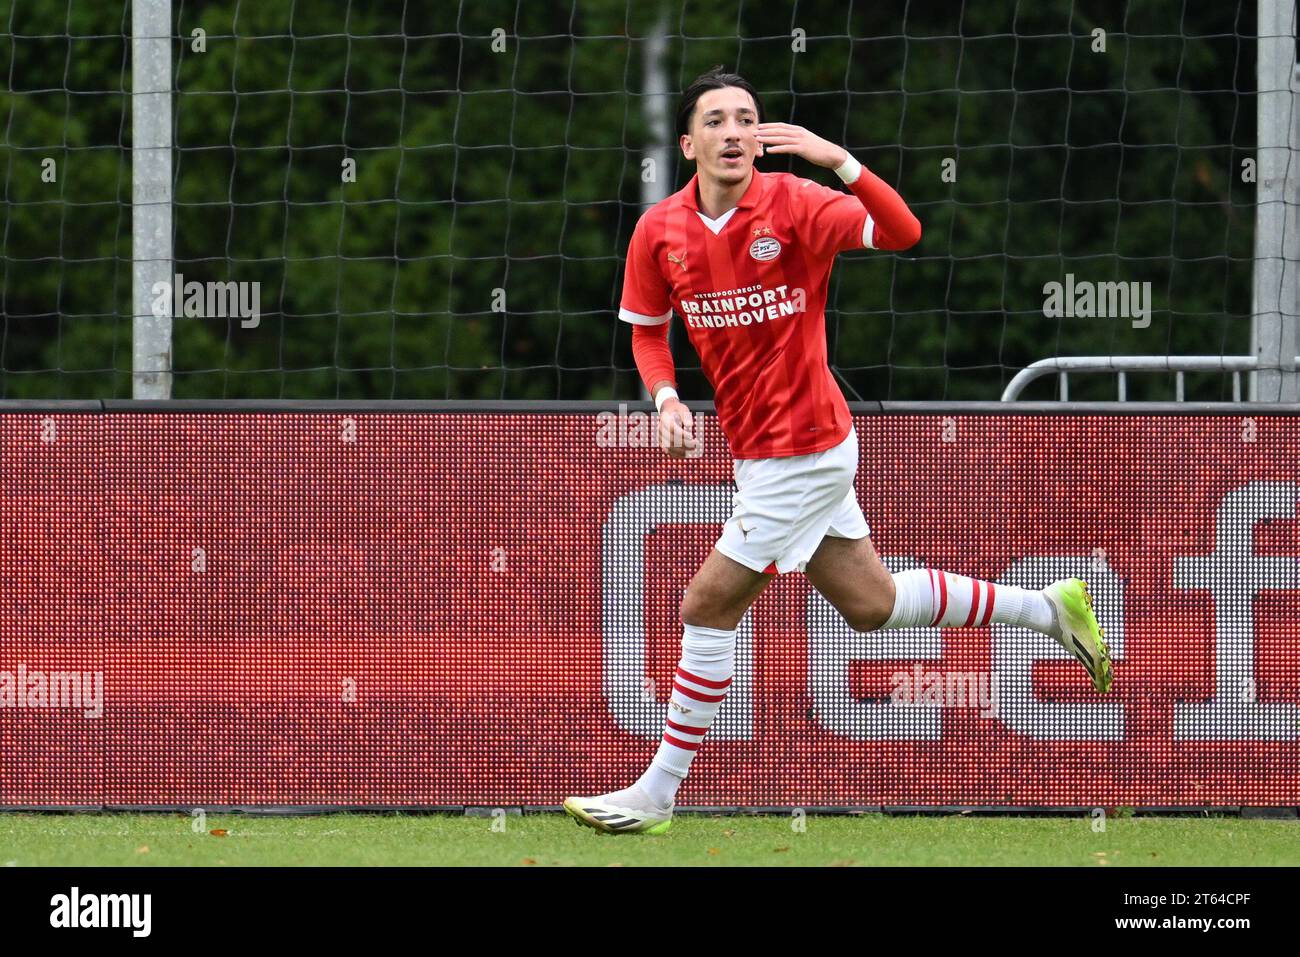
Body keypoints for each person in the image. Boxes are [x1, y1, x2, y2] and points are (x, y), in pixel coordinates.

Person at [564, 67, 1111, 835]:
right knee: (872, 605)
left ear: (760, 137)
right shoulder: (660, 231)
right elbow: (648, 333)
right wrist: (664, 399)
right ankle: (1049, 609)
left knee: (705, 604)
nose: (733, 132)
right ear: (688, 144)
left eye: (747, 119)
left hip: (807, 449)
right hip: (760, 452)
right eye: (715, 120)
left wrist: (836, 159)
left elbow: (903, 232)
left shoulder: (795, 203)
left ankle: (657, 792)